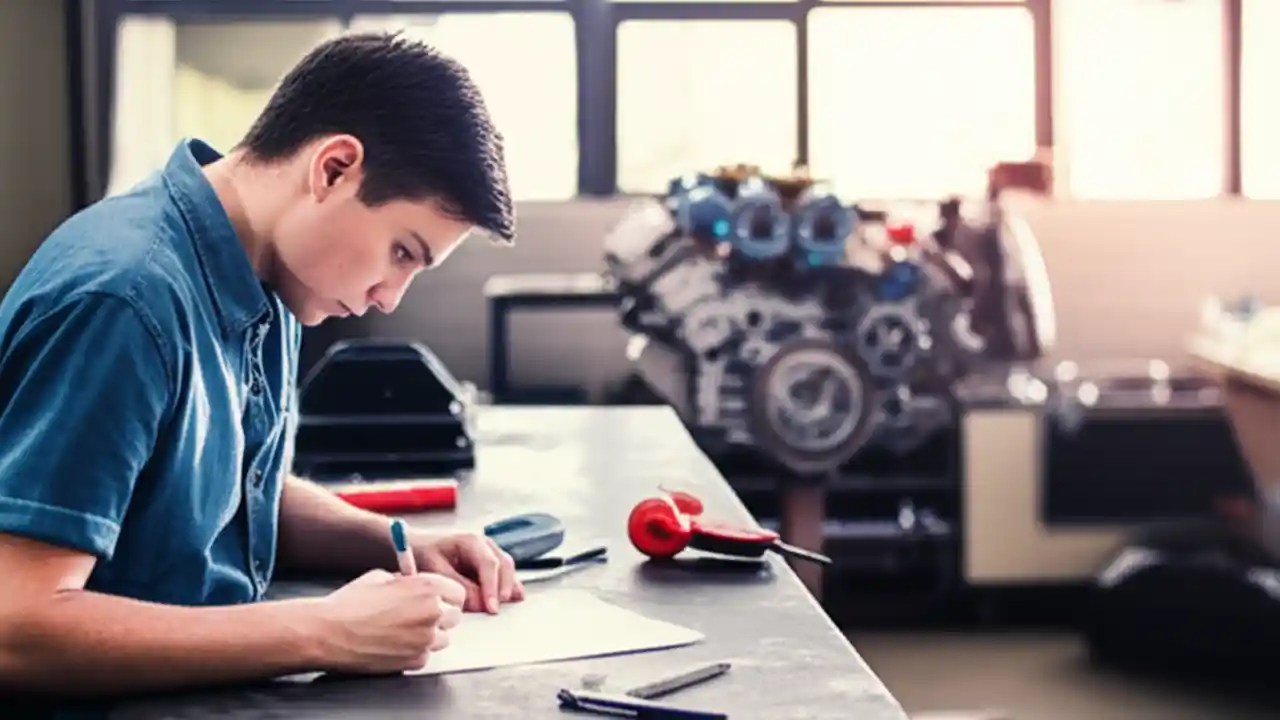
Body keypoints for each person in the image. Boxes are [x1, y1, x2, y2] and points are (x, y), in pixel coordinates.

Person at [0, 31, 523, 710]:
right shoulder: (126, 299)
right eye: (401, 251)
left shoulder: (268, 276)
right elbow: (17, 625)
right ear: (334, 168)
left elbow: (217, 489)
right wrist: (322, 632)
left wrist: (395, 545)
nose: (390, 297)